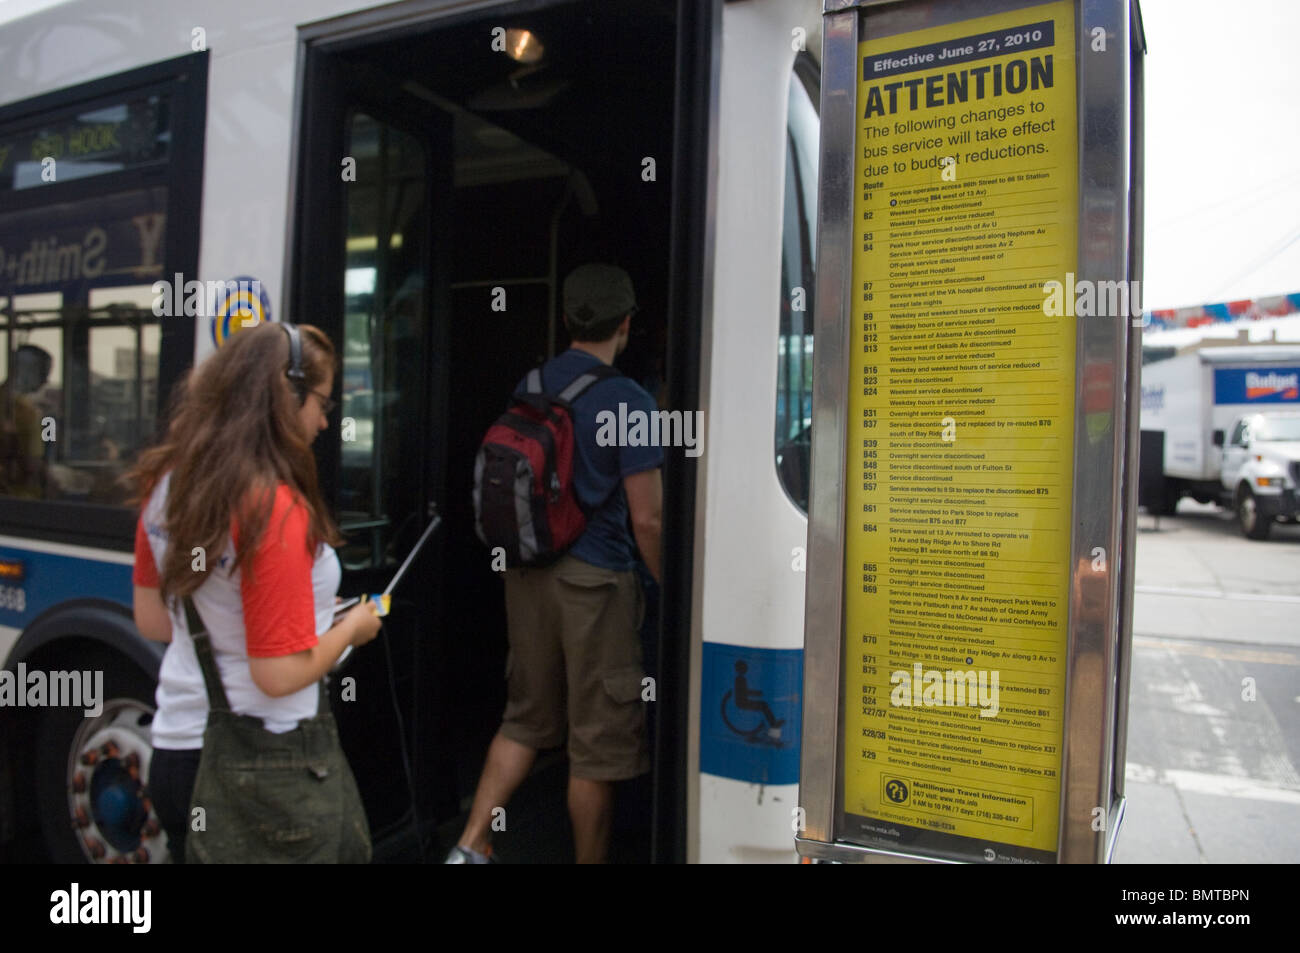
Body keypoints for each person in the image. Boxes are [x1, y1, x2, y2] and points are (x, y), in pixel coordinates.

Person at [129, 321, 382, 863]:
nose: (322, 419)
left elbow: (154, 621)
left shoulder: (167, 484)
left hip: (175, 756)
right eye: (320, 402)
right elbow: (275, 674)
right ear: (283, 396)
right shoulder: (273, 506)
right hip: (264, 765)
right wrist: (349, 630)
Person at [449, 263, 664, 864]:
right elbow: (647, 519)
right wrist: (672, 584)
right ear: (625, 324)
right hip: (596, 586)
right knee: (595, 749)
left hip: (527, 576)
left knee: (523, 722)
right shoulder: (630, 399)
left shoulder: (534, 381)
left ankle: (469, 847)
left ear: (568, 319)